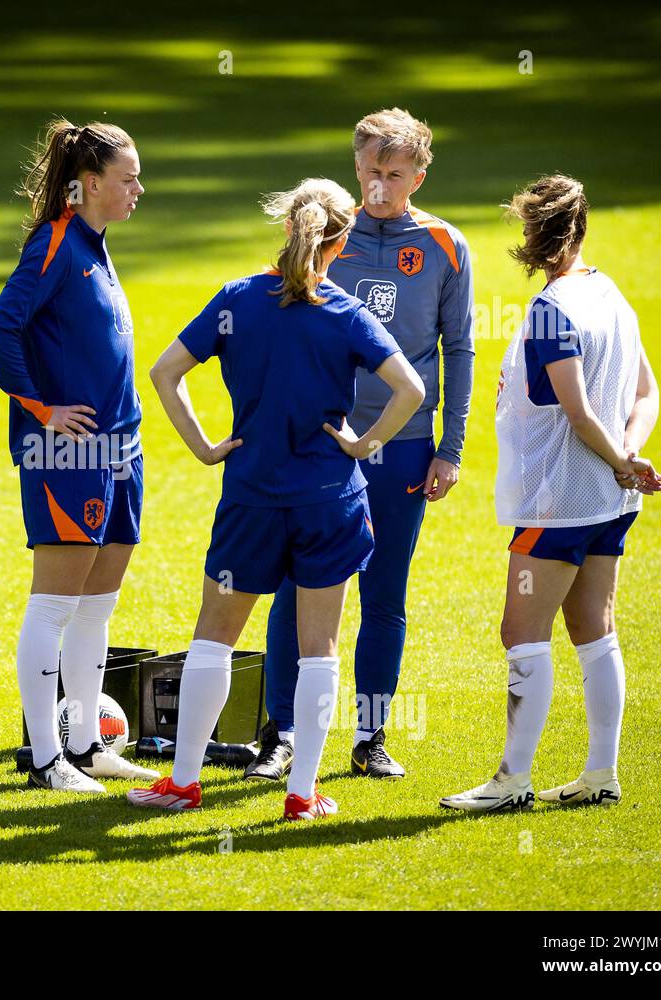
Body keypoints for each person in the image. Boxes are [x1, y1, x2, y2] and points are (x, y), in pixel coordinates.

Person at [126, 178, 423, 820]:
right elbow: (411, 389)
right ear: (339, 243)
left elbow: (163, 373)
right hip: (330, 502)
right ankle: (302, 793)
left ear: (288, 229)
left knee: (213, 639)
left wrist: (206, 447)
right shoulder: (345, 312)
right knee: (320, 649)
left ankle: (181, 782)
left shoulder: (238, 299)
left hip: (251, 498)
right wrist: (360, 443)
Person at [248, 108, 475, 783]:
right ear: (356, 167)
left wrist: (451, 448)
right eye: (371, 170)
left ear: (419, 175)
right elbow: (275, 325)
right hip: (318, 445)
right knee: (298, 584)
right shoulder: (324, 233)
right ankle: (280, 733)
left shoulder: (445, 244)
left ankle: (371, 735)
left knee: (384, 593)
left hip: (402, 445)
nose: (379, 184)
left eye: (394, 173)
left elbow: (458, 348)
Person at [441, 175, 661, 812]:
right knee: (595, 629)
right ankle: (601, 773)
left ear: (533, 235)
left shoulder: (550, 309)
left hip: (558, 500)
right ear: (583, 227)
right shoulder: (611, 294)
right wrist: (631, 459)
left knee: (522, 632)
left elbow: (576, 409)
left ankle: (512, 781)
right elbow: (646, 392)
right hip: (610, 504)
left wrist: (621, 460)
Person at [0, 118, 159, 792]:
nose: (139, 188)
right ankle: (46, 760)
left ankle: (85, 746)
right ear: (88, 186)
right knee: (54, 606)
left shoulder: (98, 244)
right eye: (127, 178)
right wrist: (42, 410)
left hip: (121, 449)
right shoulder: (55, 243)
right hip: (68, 454)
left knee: (97, 608)